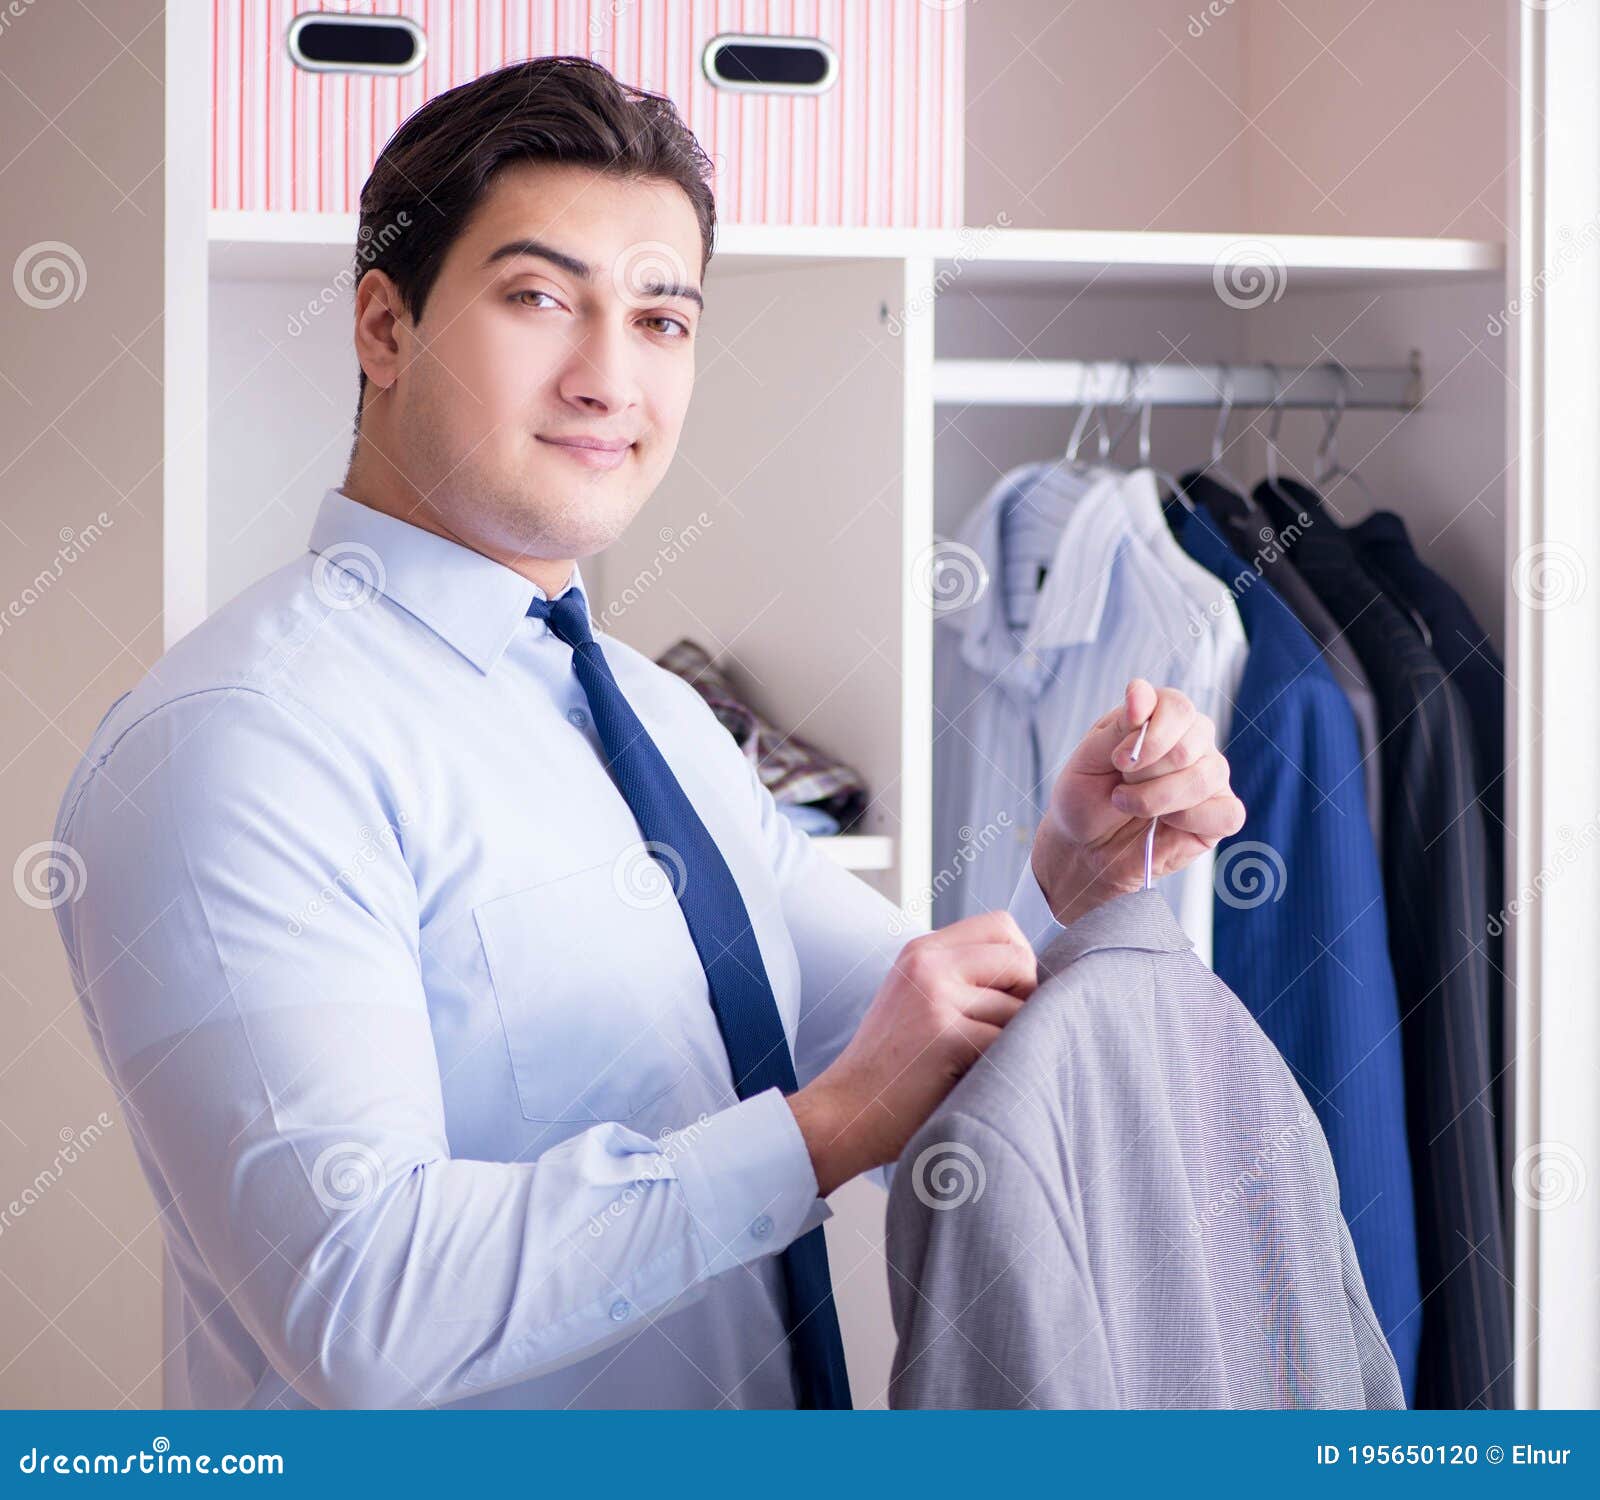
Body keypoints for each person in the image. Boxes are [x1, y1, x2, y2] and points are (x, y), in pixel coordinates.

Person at [50, 57, 1244, 1410]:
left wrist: (1071, 890)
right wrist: (823, 1133)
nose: (609, 379)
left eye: (662, 318)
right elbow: (359, 1304)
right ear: (384, 329)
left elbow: (917, 1041)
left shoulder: (662, 722)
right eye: (540, 298)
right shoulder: (243, 746)